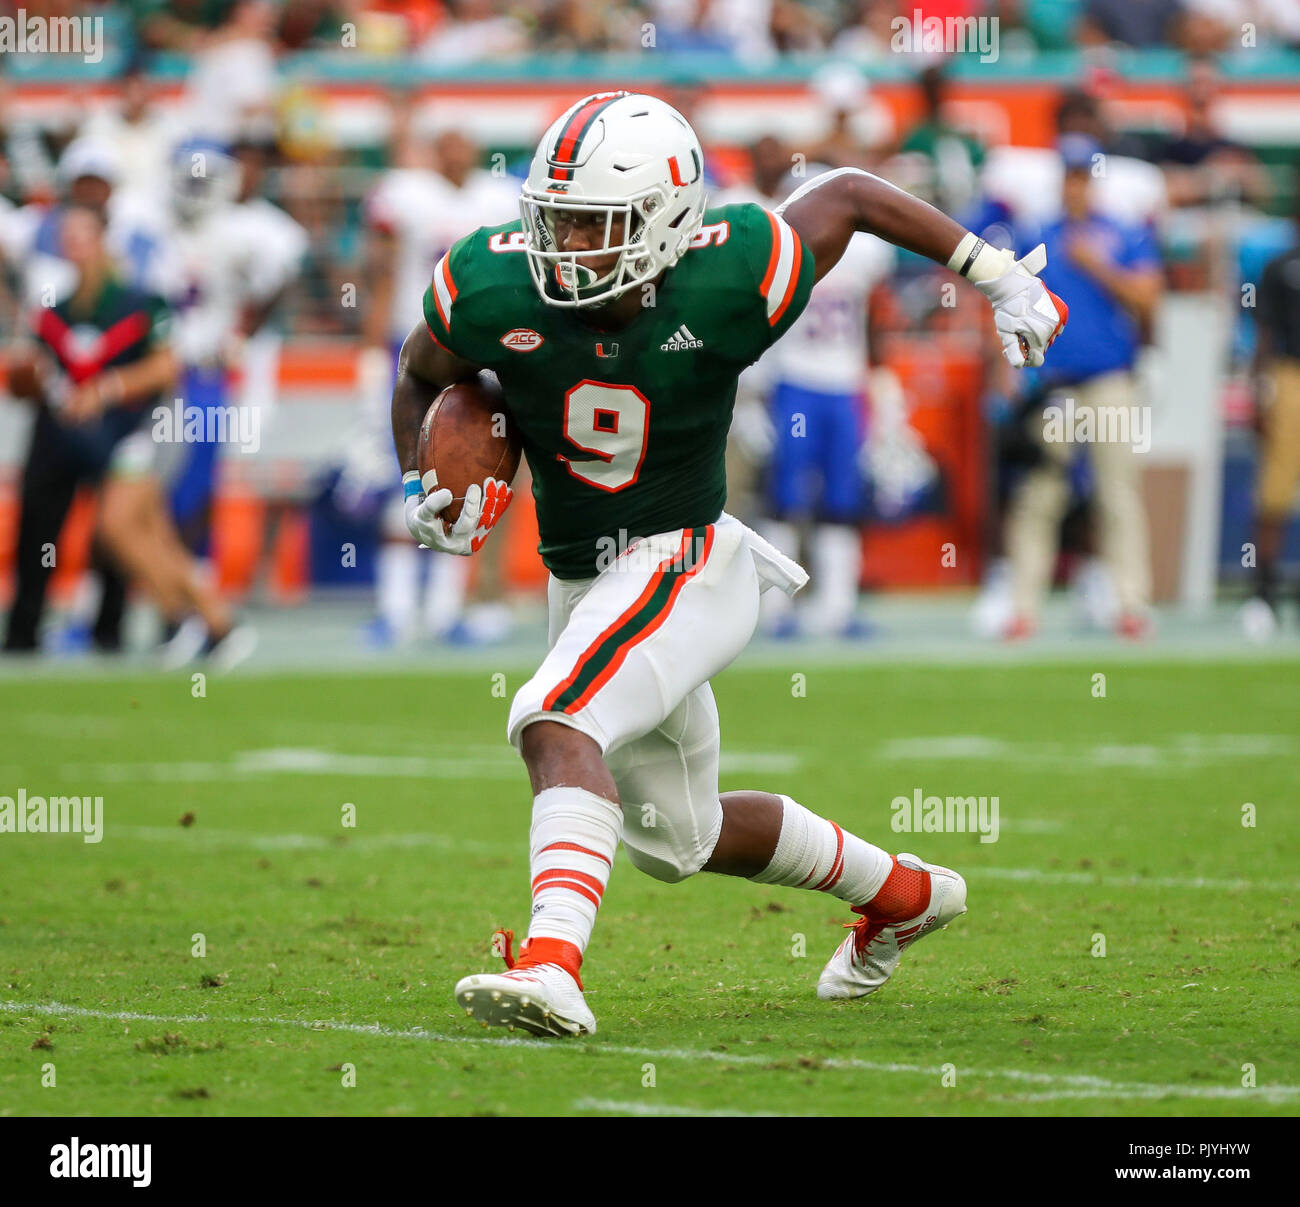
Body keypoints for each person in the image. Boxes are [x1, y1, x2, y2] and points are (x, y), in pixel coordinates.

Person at [391, 91, 1066, 1037]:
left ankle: (551, 964)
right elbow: (423, 370)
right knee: (680, 837)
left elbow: (850, 194)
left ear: (667, 220)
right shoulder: (493, 282)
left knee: (554, 716)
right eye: (555, 217)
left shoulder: (731, 270)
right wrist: (420, 477)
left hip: (684, 560)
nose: (566, 243)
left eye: (593, 221)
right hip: (584, 576)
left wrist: (994, 272)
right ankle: (907, 894)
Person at [1002, 135, 1162, 640]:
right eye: (1068, 176)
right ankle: (1023, 606)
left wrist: (1099, 265)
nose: (1074, 186)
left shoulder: (1121, 233)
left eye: (1081, 175)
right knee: (1040, 494)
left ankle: (1130, 603)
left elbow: (1148, 299)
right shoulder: (1040, 235)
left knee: (1118, 493)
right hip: (1055, 384)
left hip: (1111, 378)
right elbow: (1011, 302)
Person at [3, 205, 172, 653]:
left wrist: (107, 389)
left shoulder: (138, 301)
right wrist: (27, 377)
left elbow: (165, 368)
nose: (73, 244)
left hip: (116, 432)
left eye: (83, 234)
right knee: (38, 532)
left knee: (115, 533)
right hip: (56, 437)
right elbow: (29, 383)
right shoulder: (50, 312)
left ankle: (110, 630)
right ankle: (24, 631)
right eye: (66, 236)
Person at [1242, 179, 1300, 639]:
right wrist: (1257, 391)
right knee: (1274, 491)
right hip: (1289, 375)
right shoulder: (1281, 265)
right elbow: (1263, 335)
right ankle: (1263, 592)